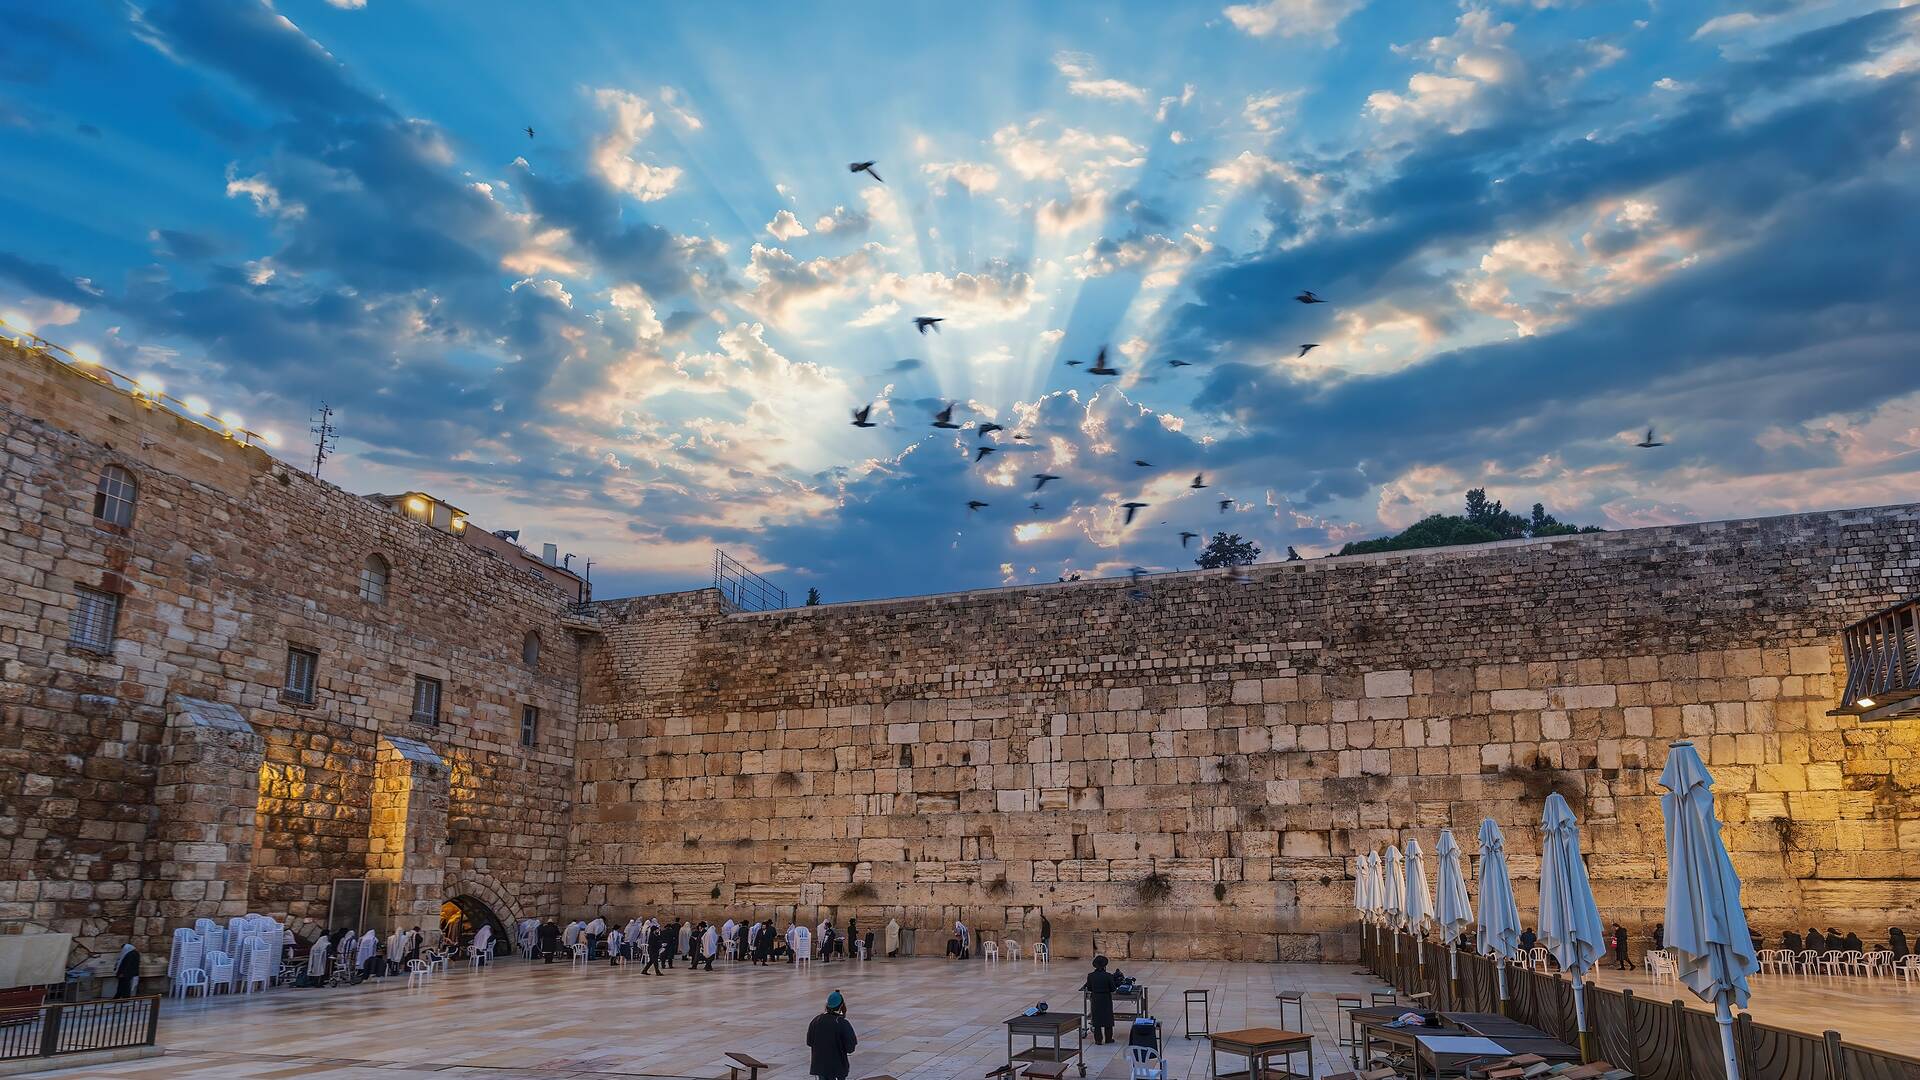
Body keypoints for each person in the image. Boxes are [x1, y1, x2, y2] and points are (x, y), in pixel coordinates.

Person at [806, 990, 858, 1080]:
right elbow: (850, 1047)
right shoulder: (842, 1023)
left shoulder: (816, 1020)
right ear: (841, 1006)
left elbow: (809, 1042)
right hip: (838, 1068)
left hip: (820, 1066)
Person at [1082, 955, 1118, 1044]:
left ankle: (1098, 1040)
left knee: (1096, 1019)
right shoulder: (1108, 976)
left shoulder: (1090, 976)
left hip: (1095, 998)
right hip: (1105, 998)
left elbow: (1089, 988)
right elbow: (1113, 989)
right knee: (1107, 1019)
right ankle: (1108, 1039)